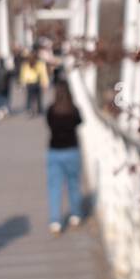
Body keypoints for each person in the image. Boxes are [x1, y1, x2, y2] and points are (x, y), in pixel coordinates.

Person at [45, 78, 84, 235]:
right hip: (72, 151)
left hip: (54, 152)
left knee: (55, 187)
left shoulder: (51, 110)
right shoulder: (73, 110)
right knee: (73, 184)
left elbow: (48, 124)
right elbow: (80, 122)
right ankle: (75, 215)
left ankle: (55, 221)